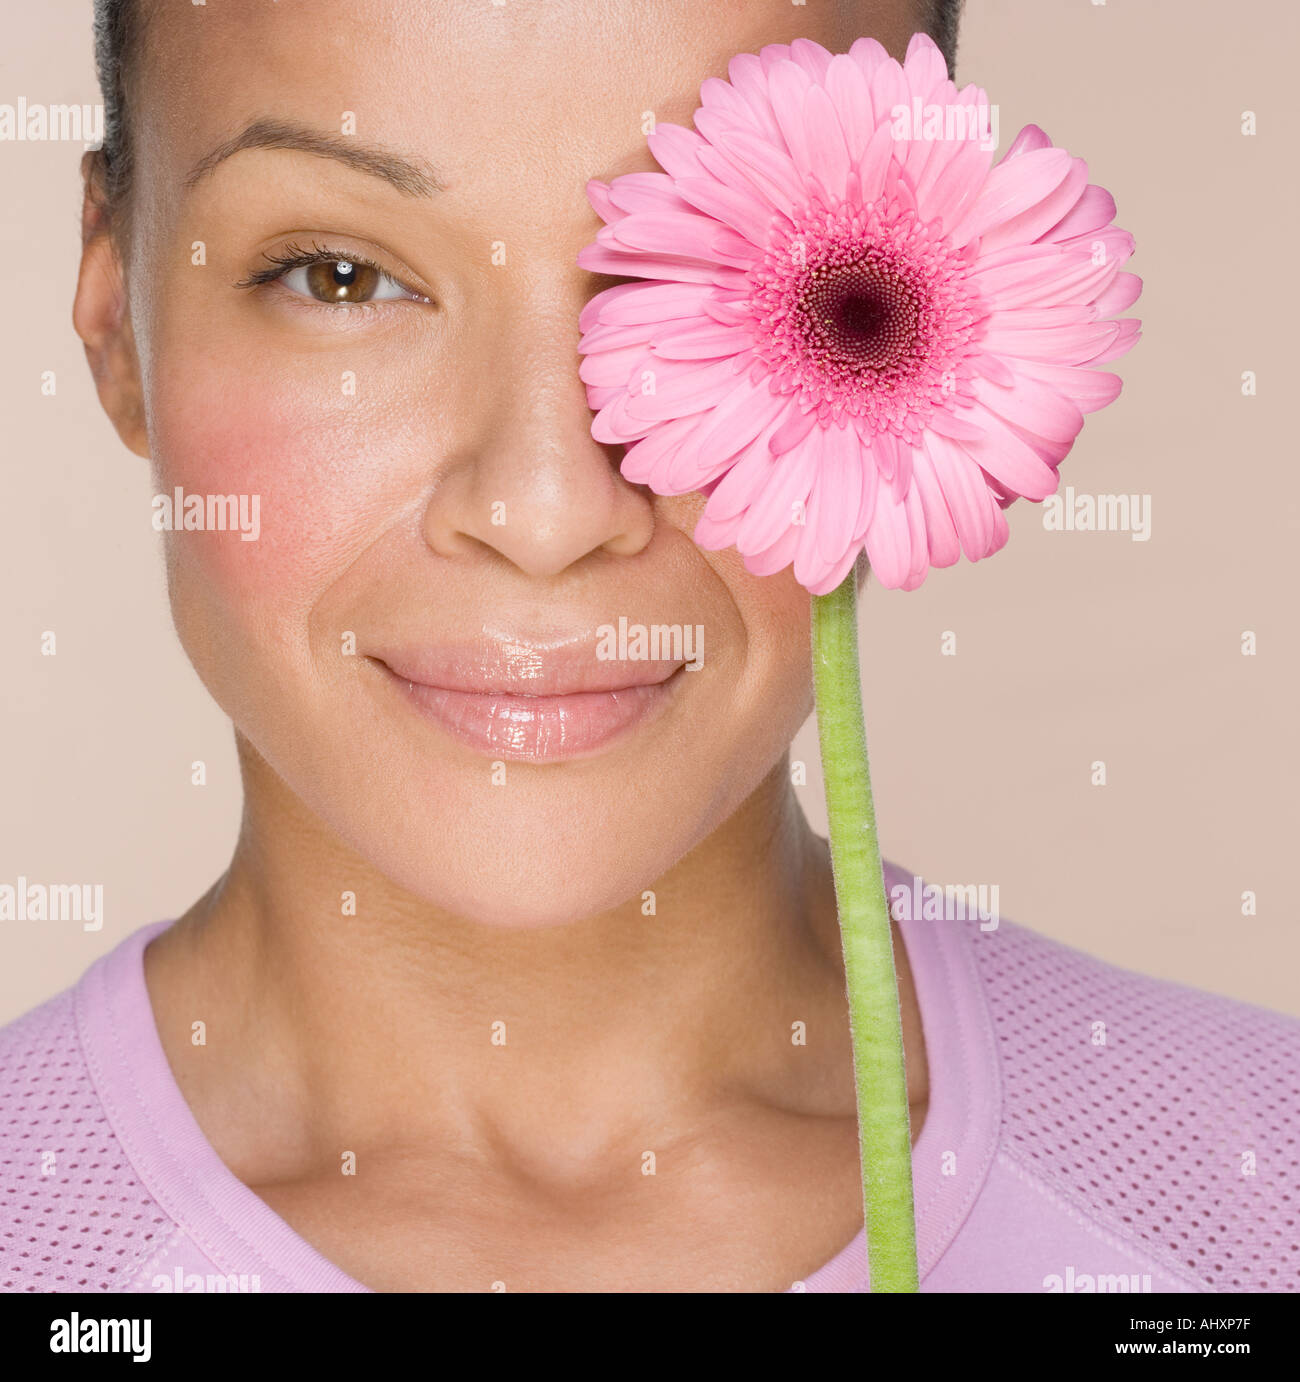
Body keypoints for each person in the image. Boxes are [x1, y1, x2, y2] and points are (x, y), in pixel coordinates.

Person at [1, 0, 1294, 1293]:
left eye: (701, 273)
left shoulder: (1253, 1197)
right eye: (342, 274)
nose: (548, 509)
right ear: (116, 323)